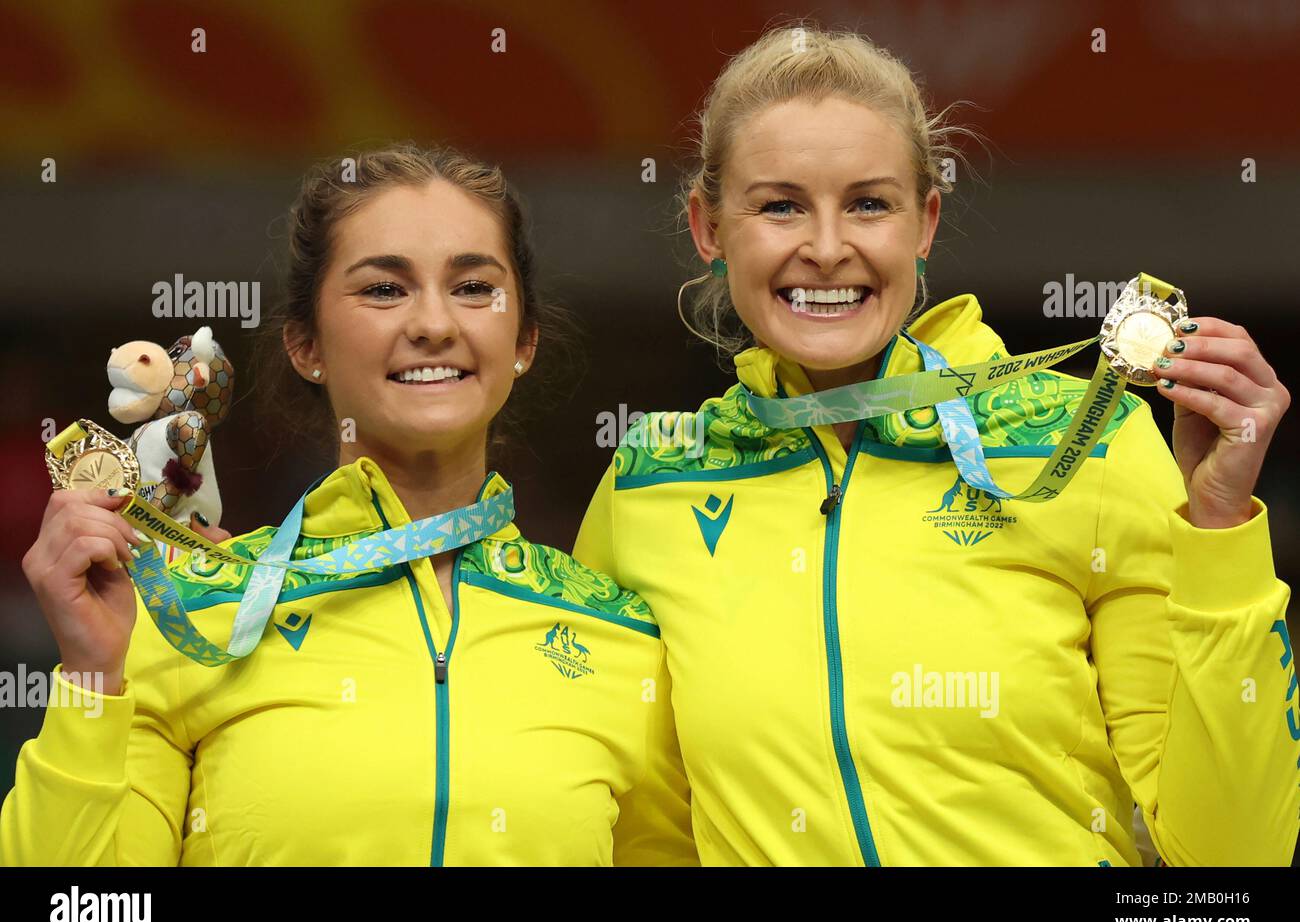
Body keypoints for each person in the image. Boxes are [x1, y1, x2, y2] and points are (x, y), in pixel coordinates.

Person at [575, 25, 1298, 866]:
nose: (826, 246)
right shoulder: (650, 481)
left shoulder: (1088, 440)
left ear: (925, 222)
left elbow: (1236, 856)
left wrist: (1218, 531)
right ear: (708, 228)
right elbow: (646, 834)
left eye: (869, 203)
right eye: (779, 205)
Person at [2, 144, 688, 867]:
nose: (433, 322)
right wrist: (88, 675)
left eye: (474, 287)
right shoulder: (190, 612)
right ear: (306, 344)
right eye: (384, 290)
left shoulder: (622, 640)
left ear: (523, 340)